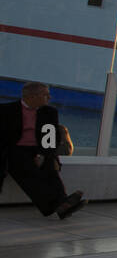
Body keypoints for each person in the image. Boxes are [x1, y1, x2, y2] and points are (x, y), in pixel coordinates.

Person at [0, 82, 87, 220]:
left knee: (49, 166)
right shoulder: (7, 110)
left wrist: (42, 155)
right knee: (25, 167)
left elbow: (51, 140)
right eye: (45, 95)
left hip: (39, 149)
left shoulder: (49, 112)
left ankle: (62, 204)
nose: (49, 97)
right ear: (32, 96)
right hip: (14, 149)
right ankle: (61, 205)